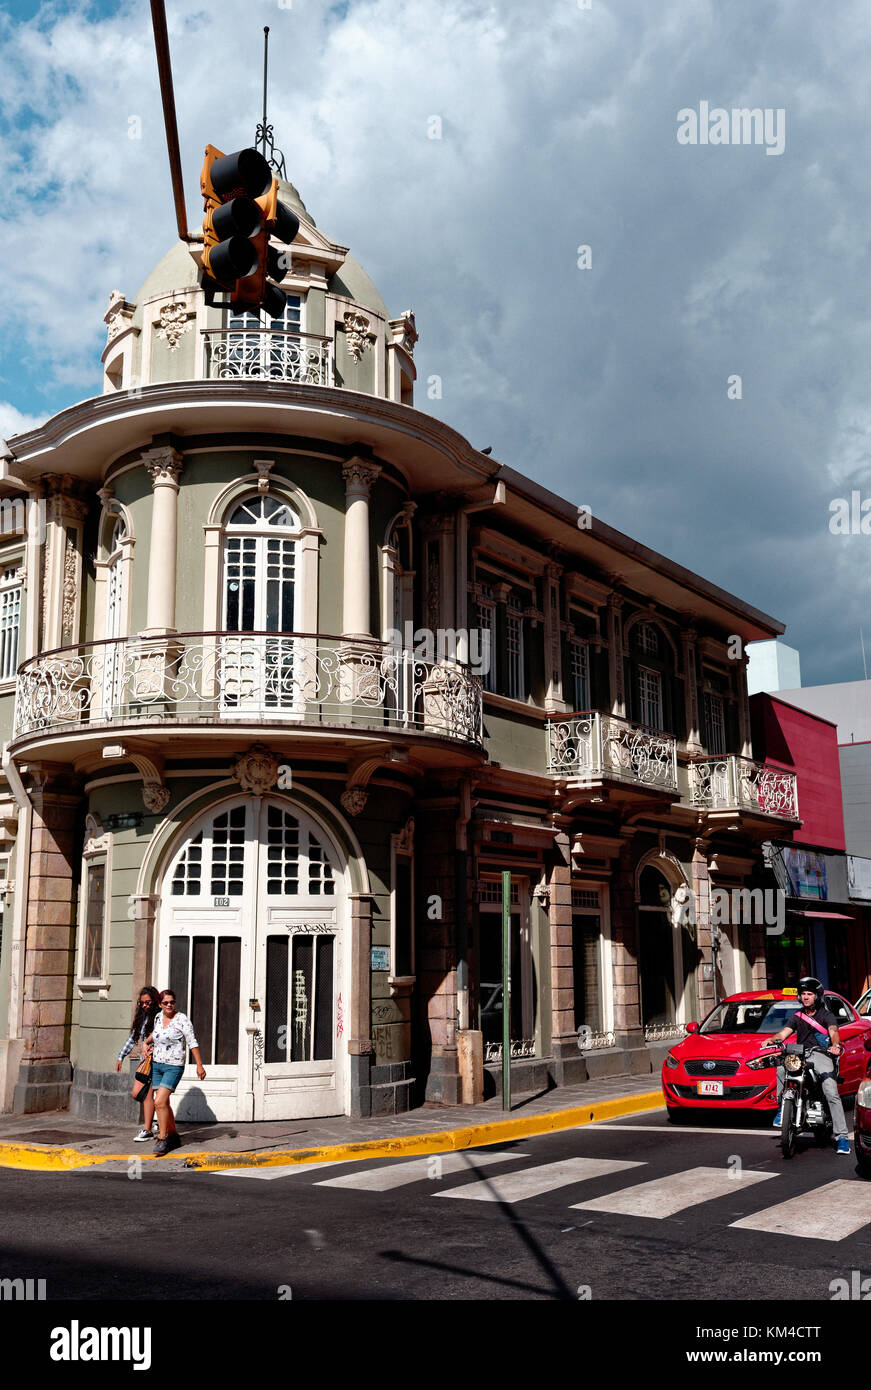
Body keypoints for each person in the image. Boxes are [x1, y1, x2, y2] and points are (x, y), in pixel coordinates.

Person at [767, 976, 850, 1155]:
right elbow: (783, 1033)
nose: (805, 997)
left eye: (809, 994)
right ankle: (783, 1109)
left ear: (817, 996)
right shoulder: (797, 1016)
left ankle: (842, 1137)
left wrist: (835, 1046)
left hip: (821, 1054)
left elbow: (834, 1032)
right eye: (803, 994)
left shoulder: (826, 1015)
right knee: (782, 1068)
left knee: (830, 1090)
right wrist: (773, 1039)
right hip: (799, 1054)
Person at [147, 990, 206, 1156]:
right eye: (165, 1003)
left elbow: (192, 1042)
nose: (169, 1005)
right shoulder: (158, 1017)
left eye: (171, 1002)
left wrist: (199, 1065)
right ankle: (173, 1135)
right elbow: (156, 1033)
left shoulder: (182, 1019)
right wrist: (146, 1042)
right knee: (163, 1102)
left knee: (158, 1102)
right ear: (160, 1004)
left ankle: (163, 1137)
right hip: (157, 1065)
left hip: (174, 1066)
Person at [116, 986, 161, 1142]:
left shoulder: (160, 1018)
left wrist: (154, 1048)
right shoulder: (142, 1017)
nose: (144, 1006)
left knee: (148, 1095)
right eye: (142, 1003)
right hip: (145, 1062)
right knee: (141, 1094)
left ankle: (149, 1128)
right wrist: (121, 1056)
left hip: (157, 1061)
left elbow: (164, 1037)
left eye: (147, 1003)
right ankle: (156, 1124)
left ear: (155, 1002)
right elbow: (133, 1038)